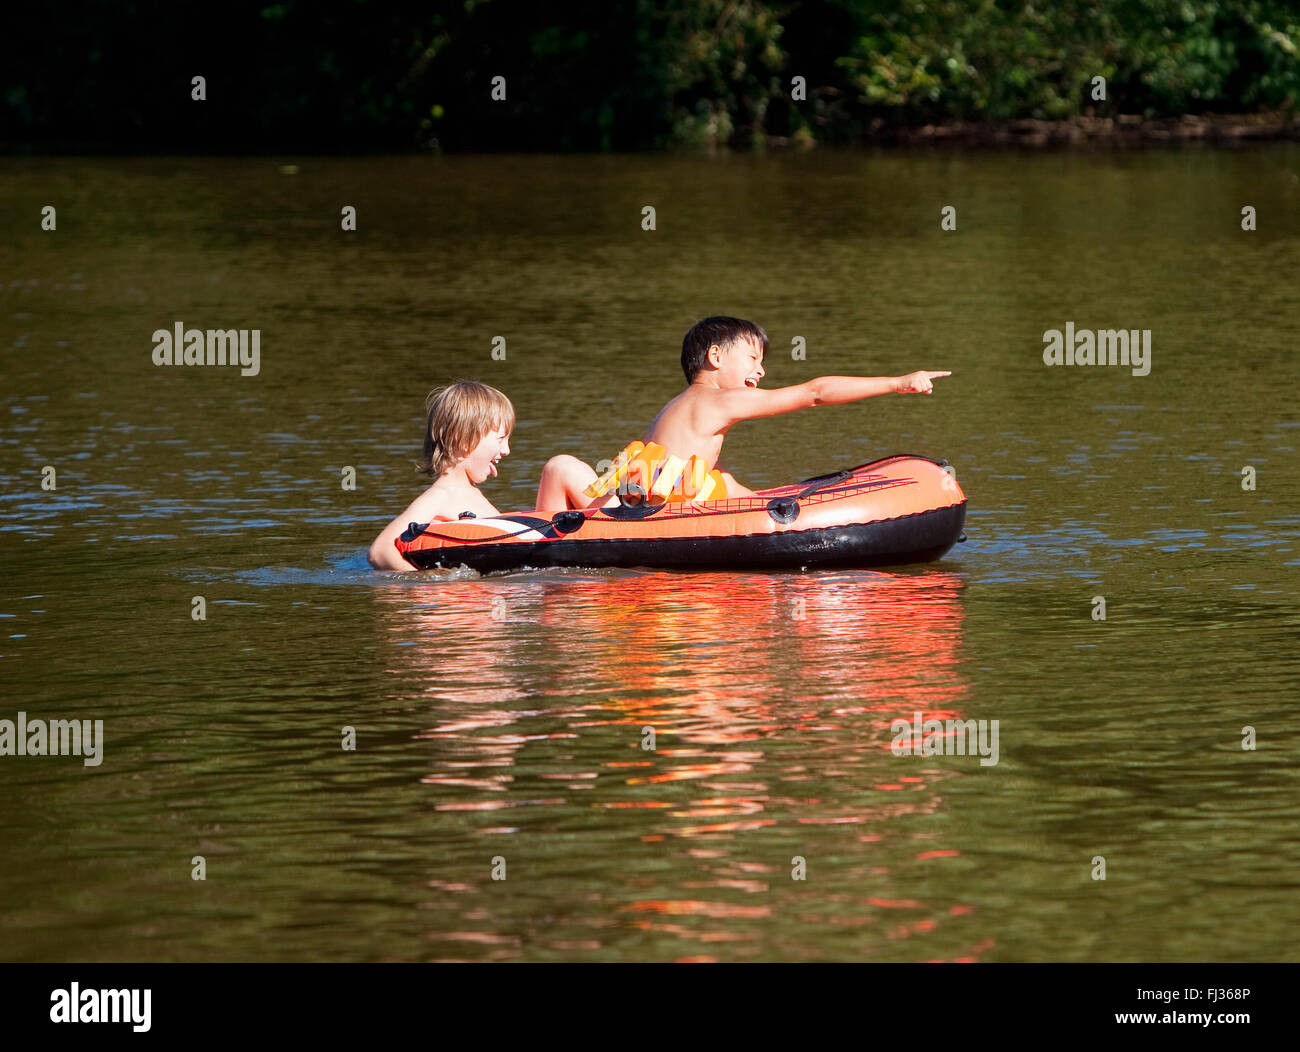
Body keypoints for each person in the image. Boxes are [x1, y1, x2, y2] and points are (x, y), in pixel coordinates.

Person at [533, 316, 950, 509]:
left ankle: (543, 533)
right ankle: (791, 517)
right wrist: (897, 382)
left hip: (630, 502)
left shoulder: (679, 402)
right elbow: (816, 393)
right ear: (715, 357)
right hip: (653, 507)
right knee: (726, 486)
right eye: (752, 358)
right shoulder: (718, 399)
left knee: (562, 466)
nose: (761, 369)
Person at [368, 381, 513, 570]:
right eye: (501, 439)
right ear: (464, 439)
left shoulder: (472, 492)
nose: (507, 450)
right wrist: (428, 585)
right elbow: (380, 551)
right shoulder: (441, 495)